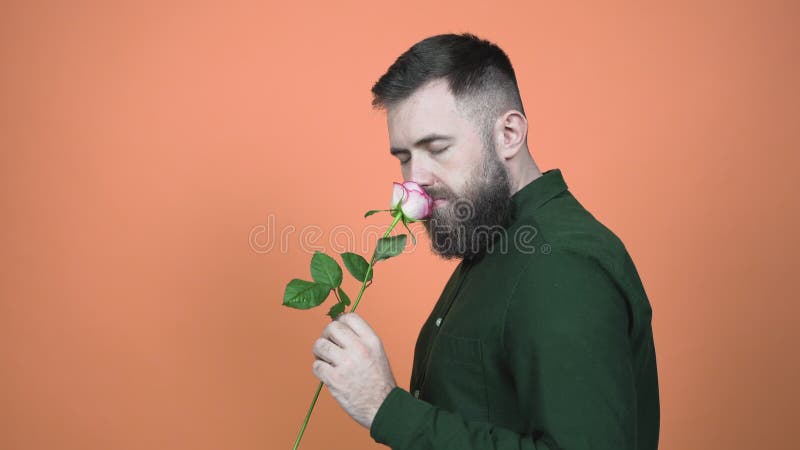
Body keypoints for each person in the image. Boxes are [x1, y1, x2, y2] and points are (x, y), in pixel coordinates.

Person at [310, 32, 660, 450]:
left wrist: (386, 408)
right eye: (404, 157)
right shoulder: (491, 237)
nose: (414, 179)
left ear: (509, 133)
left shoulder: (564, 264)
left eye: (436, 148)